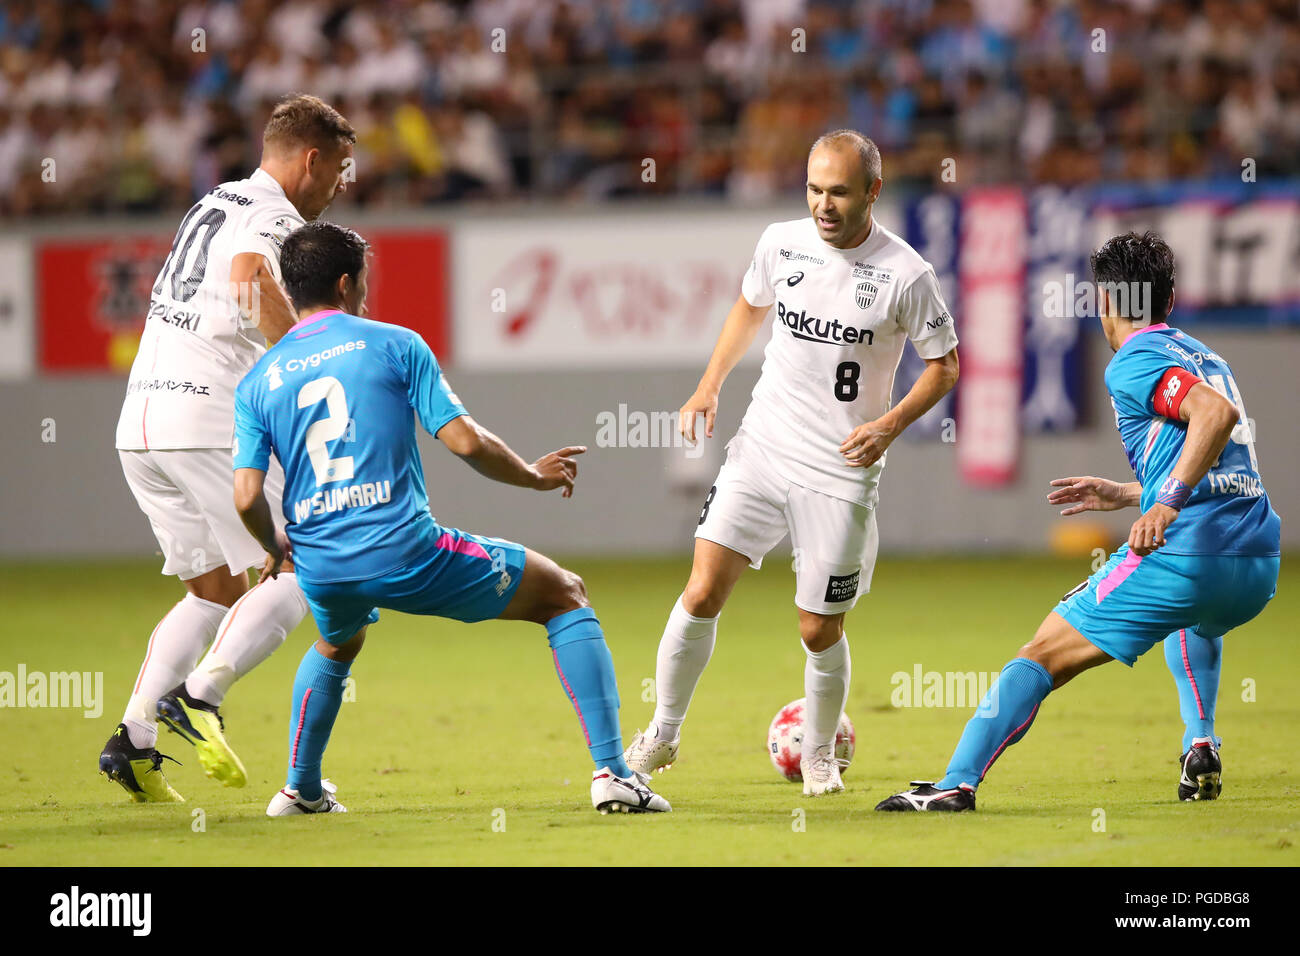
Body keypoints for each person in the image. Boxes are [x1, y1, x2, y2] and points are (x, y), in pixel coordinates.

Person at [231, 221, 669, 815]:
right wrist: (534, 476)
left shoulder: (258, 381)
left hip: (321, 565)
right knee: (565, 594)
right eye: (363, 280)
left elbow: (245, 496)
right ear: (344, 282)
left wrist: (277, 545)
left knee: (338, 641)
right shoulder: (394, 344)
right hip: (406, 552)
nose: (366, 291)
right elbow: (464, 442)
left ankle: (300, 790)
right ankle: (615, 774)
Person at [877, 231, 1281, 811]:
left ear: (1107, 302)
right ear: (1167, 301)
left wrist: (1164, 502)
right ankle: (1201, 745)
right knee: (1195, 622)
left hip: (1190, 554)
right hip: (1257, 565)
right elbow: (1218, 455)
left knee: (1040, 654)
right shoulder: (1206, 356)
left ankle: (954, 784)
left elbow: (1214, 416)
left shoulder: (1135, 359)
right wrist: (1128, 494)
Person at [624, 129, 960, 796]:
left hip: (841, 466)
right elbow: (748, 309)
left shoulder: (907, 274)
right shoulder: (781, 243)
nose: (823, 205)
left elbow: (944, 366)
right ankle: (662, 733)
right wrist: (709, 384)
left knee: (817, 627)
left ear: (872, 191)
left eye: (838, 191)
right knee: (701, 590)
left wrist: (889, 425)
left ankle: (817, 753)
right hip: (764, 446)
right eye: (813, 189)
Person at [101, 94, 355, 802]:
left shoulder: (213, 200)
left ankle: (134, 739)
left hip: (142, 423)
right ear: (311, 159)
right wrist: (307, 356)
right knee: (299, 568)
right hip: (204, 419)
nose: (341, 183)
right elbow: (248, 279)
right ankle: (200, 697)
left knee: (215, 589)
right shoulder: (273, 217)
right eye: (339, 167)